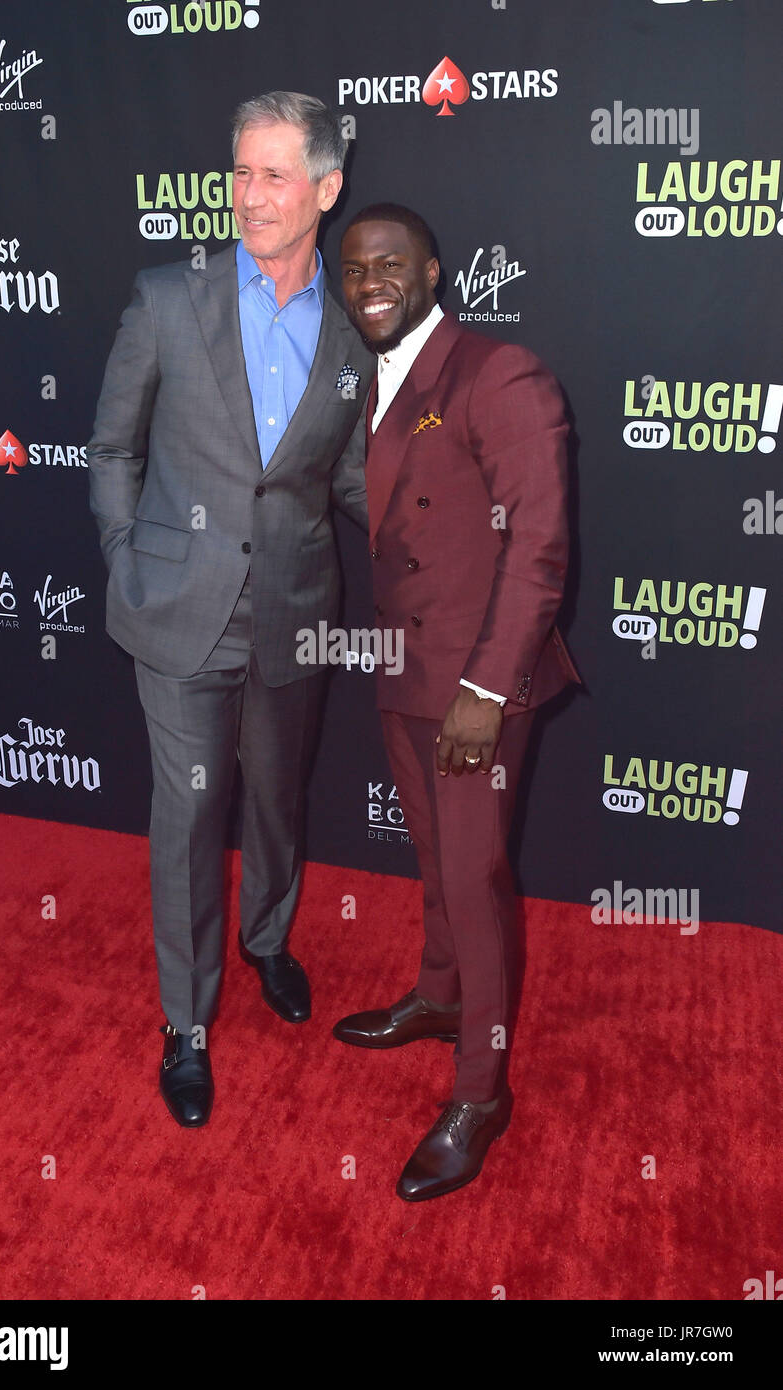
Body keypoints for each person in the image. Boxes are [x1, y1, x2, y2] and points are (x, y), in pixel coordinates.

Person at [87, 93, 373, 1128]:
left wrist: (435, 530)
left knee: (276, 803)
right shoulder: (169, 296)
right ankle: (186, 1022)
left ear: (326, 189)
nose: (250, 197)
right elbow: (113, 447)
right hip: (175, 609)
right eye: (240, 173)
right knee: (188, 815)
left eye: (275, 176)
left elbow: (342, 477)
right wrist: (126, 559)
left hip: (292, 608)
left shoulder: (350, 330)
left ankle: (266, 939)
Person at [334, 204, 580, 1200]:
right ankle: (438, 997)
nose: (369, 282)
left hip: (474, 684)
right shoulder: (376, 381)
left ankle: (479, 1090)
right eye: (352, 270)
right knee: (434, 857)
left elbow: (537, 547)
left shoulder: (497, 373)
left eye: (389, 264)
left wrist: (484, 687)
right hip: (406, 668)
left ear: (433, 274)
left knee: (475, 882)